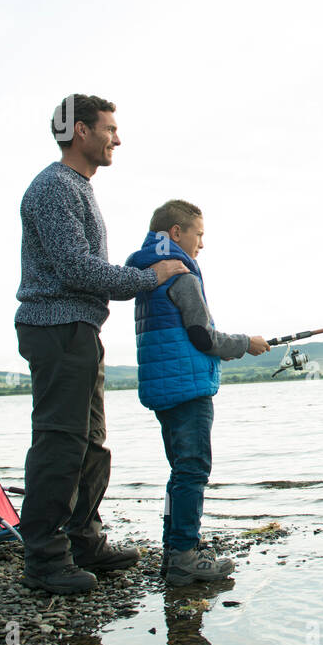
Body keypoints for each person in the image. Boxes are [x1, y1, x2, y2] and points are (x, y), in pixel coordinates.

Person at [15, 94, 189, 595]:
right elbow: (76, 269)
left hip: (79, 330)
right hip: (57, 328)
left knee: (90, 444)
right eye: (110, 128)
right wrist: (148, 277)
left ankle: (84, 540)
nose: (118, 138)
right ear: (81, 132)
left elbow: (82, 269)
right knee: (59, 442)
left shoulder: (77, 187)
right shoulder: (53, 188)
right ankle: (44, 560)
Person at [125, 199, 270, 584]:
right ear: (177, 232)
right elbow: (203, 336)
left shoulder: (149, 273)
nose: (201, 244)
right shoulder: (182, 275)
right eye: (198, 234)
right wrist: (245, 344)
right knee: (193, 470)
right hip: (187, 390)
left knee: (180, 471)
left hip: (163, 389)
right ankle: (184, 555)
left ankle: (175, 550)